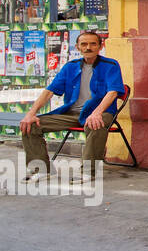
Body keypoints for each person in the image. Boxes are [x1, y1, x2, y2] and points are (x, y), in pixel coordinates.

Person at [19, 30, 125, 182]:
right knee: (30, 125)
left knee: (96, 124)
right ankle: (41, 170)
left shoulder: (111, 65)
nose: (88, 47)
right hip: (71, 113)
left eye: (93, 44)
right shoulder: (70, 67)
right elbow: (49, 92)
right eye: (84, 44)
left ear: (100, 47)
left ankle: (88, 172)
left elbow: (113, 92)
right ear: (77, 47)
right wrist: (31, 113)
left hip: (100, 112)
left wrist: (96, 113)